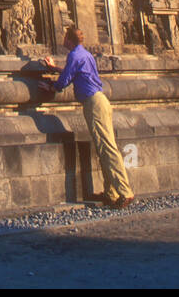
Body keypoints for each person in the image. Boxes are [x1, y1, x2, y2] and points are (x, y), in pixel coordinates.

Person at [41, 26, 134, 209]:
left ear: (69, 40)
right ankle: (111, 193)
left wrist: (51, 87)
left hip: (94, 104)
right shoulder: (84, 54)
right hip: (100, 101)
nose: (62, 41)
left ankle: (125, 192)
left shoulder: (74, 56)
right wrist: (55, 68)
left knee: (107, 148)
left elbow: (65, 81)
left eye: (64, 38)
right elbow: (74, 72)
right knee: (104, 147)